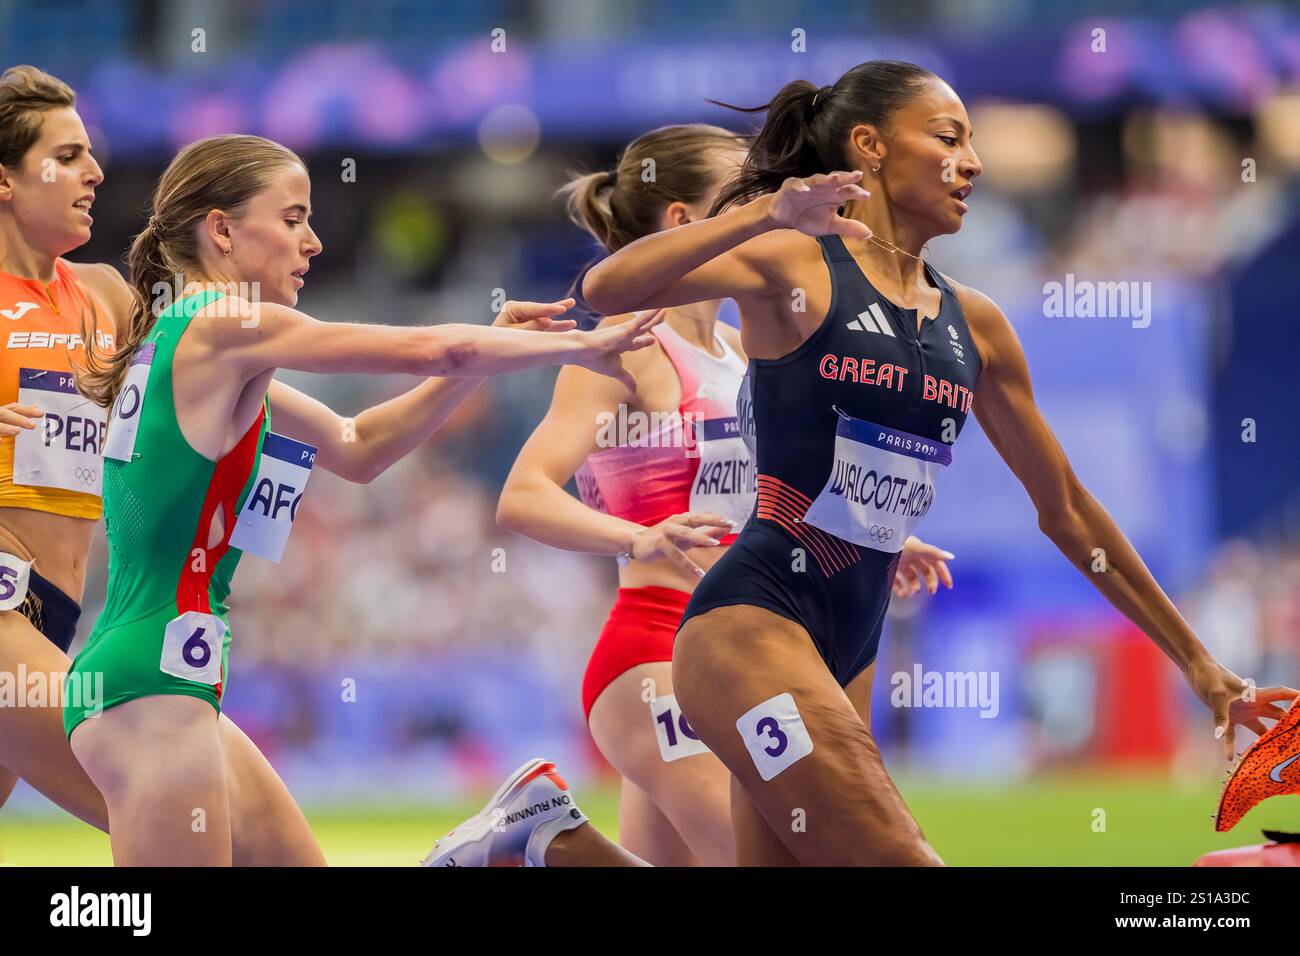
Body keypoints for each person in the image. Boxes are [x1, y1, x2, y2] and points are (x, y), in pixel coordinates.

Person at [570, 59, 1297, 865]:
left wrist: (1200, 664)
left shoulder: (976, 325)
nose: (974, 162)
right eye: (950, 137)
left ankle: (549, 843)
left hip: (852, 644)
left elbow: (1069, 509)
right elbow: (609, 289)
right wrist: (763, 215)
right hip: (750, 627)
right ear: (870, 147)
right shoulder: (795, 264)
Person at [64, 131, 663, 866]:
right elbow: (431, 349)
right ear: (220, 230)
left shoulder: (200, 347)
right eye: (291, 219)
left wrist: (482, 356)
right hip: (149, 687)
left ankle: (493, 843)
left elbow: (358, 446)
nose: (312, 242)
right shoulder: (221, 323)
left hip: (167, 677)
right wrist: (581, 347)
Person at [491, 124, 953, 866]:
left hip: (740, 648)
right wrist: (635, 537)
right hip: (653, 653)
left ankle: (538, 838)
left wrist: (876, 537)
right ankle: (547, 838)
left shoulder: (745, 349)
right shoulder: (626, 345)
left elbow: (768, 499)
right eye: (748, 197)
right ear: (683, 222)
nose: (771, 210)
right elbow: (521, 495)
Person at [0, 64, 131, 829]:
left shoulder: (107, 296)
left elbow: (222, 366)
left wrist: (453, 360)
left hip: (57, 612)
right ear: (7, 182)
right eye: (70, 154)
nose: (96, 172)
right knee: (156, 800)